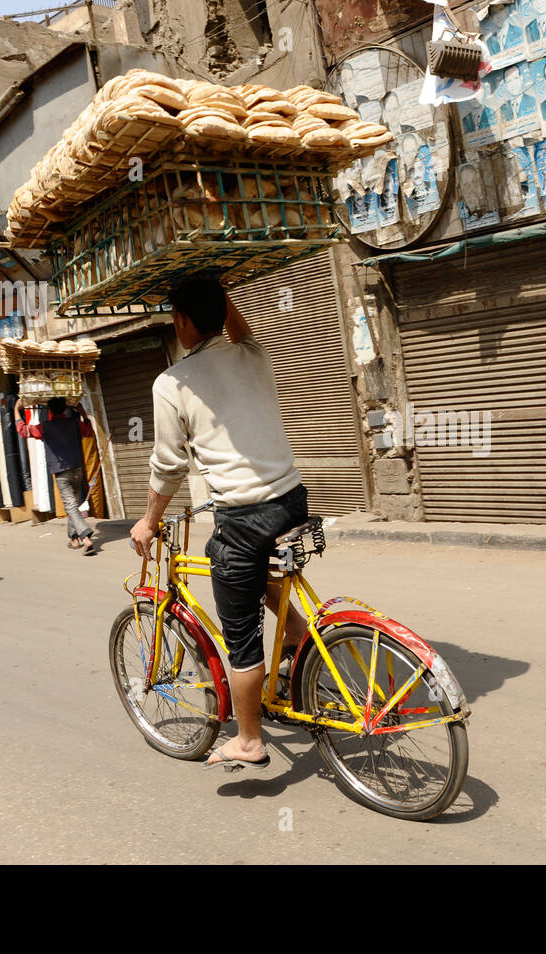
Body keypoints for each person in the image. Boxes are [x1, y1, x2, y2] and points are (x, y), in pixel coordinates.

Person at [130, 279, 310, 770]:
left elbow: (167, 466)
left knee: (240, 636)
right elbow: (235, 325)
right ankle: (297, 634)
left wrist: (148, 522)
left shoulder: (171, 383)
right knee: (246, 571)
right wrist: (216, 288)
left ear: (183, 322)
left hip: (246, 517)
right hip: (293, 499)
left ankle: (249, 740)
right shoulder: (252, 352)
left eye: (175, 317)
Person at [14, 395, 97, 554]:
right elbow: (88, 431)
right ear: (65, 408)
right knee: (73, 504)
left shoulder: (45, 427)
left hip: (61, 472)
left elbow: (23, 431)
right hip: (78, 469)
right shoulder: (74, 423)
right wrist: (82, 413)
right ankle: (73, 539)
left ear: (50, 410)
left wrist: (16, 410)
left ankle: (86, 538)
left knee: (70, 505)